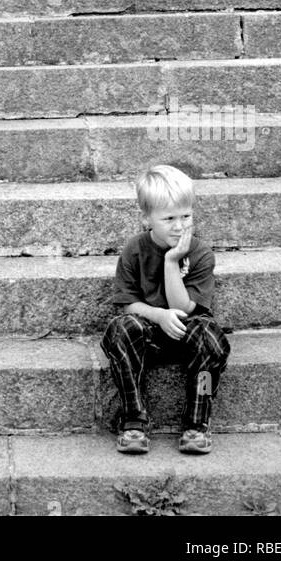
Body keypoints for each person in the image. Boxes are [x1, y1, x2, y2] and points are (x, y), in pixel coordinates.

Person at [100, 164, 231, 454]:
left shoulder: (200, 254)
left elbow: (184, 307)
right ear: (147, 218)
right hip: (147, 334)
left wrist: (172, 262)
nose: (179, 226)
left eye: (186, 216)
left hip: (189, 334)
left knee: (213, 340)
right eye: (169, 218)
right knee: (119, 330)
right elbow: (126, 304)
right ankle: (133, 420)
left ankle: (197, 423)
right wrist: (158, 316)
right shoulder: (134, 250)